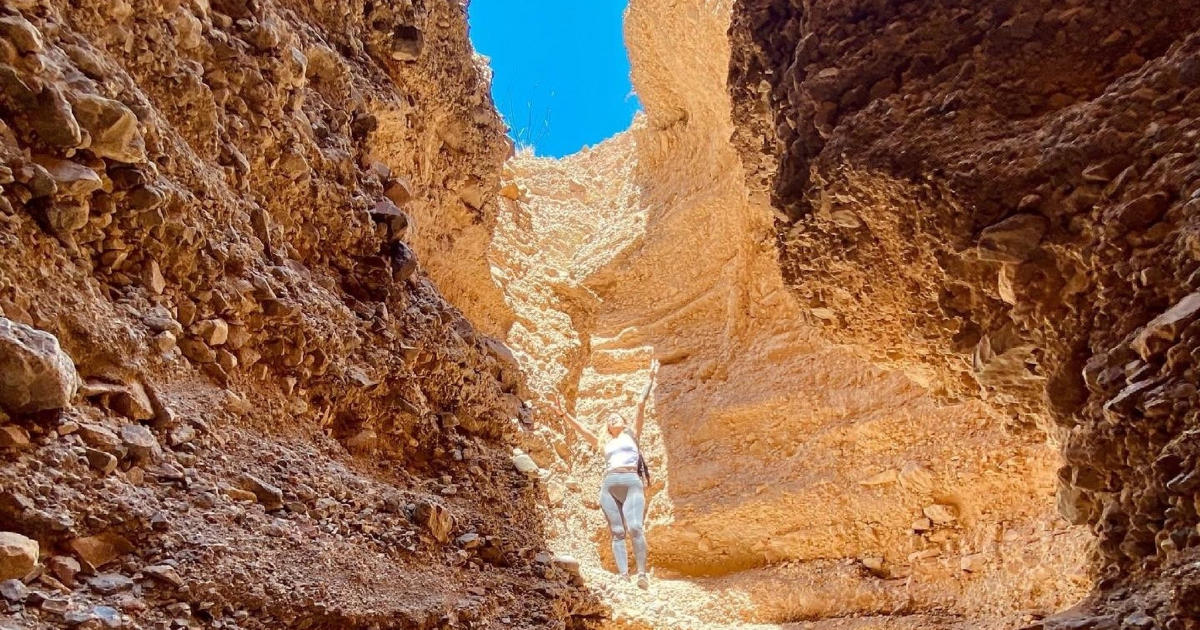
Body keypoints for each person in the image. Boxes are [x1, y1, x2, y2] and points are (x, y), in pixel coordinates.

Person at [550, 359, 659, 589]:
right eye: (609, 420)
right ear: (607, 428)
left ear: (624, 422)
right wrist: (563, 415)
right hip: (610, 484)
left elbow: (640, 404)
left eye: (617, 417)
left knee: (636, 527)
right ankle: (623, 575)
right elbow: (582, 430)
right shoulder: (603, 442)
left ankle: (641, 574)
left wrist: (649, 378)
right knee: (618, 531)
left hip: (631, 481)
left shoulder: (632, 435)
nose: (613, 419)